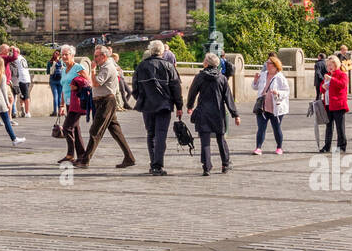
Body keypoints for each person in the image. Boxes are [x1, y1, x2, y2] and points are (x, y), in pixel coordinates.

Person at [133, 39, 184, 175]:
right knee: (161, 135)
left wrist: (141, 99)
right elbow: (176, 88)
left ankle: (153, 163)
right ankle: (158, 165)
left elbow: (135, 88)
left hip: (147, 105)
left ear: (151, 50)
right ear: (162, 51)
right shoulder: (168, 66)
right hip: (164, 105)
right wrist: (179, 106)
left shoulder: (141, 66)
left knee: (151, 134)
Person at [80, 44, 136, 168]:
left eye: (96, 56)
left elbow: (95, 83)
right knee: (116, 132)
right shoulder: (105, 66)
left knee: (95, 131)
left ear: (104, 56)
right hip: (104, 101)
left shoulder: (107, 68)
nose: (94, 59)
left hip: (106, 102)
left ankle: (85, 160)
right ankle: (129, 158)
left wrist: (93, 70)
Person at [187, 52, 240, 175]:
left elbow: (192, 92)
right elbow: (228, 98)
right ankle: (225, 164)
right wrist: (235, 114)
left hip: (203, 112)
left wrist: (190, 106)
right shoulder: (221, 78)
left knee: (205, 141)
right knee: (221, 139)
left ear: (206, 63)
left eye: (204, 60)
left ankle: (207, 167)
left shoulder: (200, 77)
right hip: (218, 113)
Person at [251, 53, 289, 154]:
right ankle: (258, 148)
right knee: (261, 128)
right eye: (267, 62)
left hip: (275, 106)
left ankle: (279, 147)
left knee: (276, 128)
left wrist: (278, 93)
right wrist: (255, 80)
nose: (267, 64)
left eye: (269, 63)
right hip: (262, 106)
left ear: (275, 65)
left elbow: (286, 91)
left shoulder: (280, 77)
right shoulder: (263, 74)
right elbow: (255, 87)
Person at [59, 46, 91, 164]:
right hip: (68, 103)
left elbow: (88, 83)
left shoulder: (78, 68)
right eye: (62, 54)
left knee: (67, 128)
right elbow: (63, 87)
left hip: (77, 103)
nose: (64, 57)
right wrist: (61, 105)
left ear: (72, 55)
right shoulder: (63, 70)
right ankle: (81, 155)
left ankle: (71, 154)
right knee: (75, 130)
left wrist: (77, 87)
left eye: (66, 54)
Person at [321, 55, 348, 152]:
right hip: (328, 103)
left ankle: (341, 146)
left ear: (336, 64)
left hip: (338, 104)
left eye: (331, 64)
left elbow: (342, 85)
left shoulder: (342, 74)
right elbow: (322, 88)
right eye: (328, 65)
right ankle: (327, 146)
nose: (329, 67)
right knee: (328, 126)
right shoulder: (327, 75)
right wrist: (323, 87)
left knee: (339, 126)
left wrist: (331, 79)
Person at [11, 47, 33, 118]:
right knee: (22, 95)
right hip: (25, 78)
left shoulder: (17, 59)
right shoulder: (23, 58)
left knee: (26, 96)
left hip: (23, 79)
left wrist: (12, 48)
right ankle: (23, 109)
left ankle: (27, 112)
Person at [47, 48, 65, 117]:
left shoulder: (50, 62)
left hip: (53, 80)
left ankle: (55, 111)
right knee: (60, 96)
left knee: (55, 96)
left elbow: (48, 72)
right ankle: (60, 111)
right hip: (60, 80)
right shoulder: (62, 62)